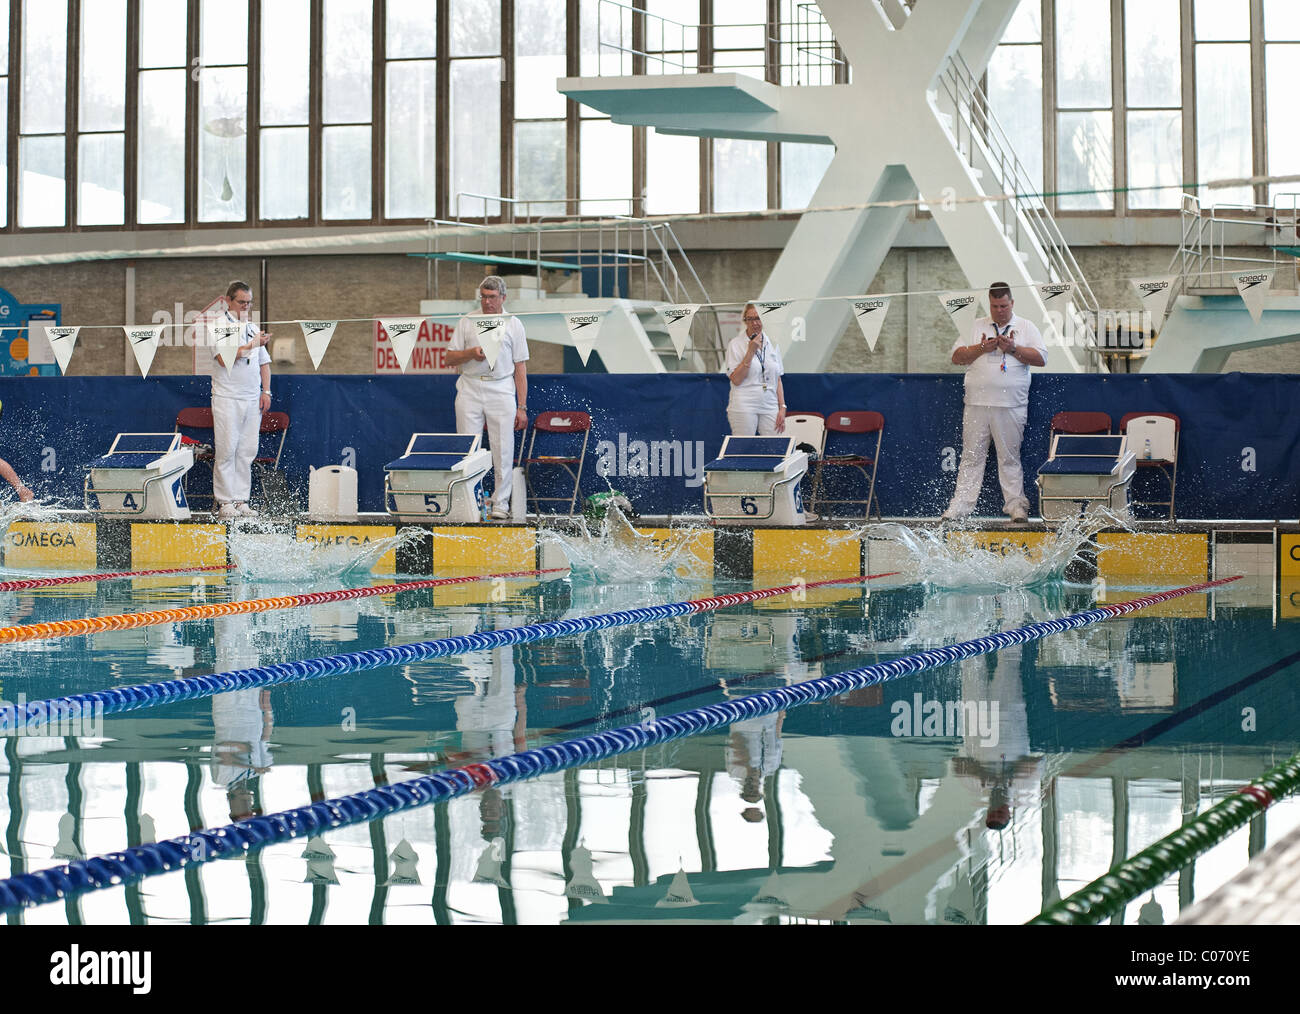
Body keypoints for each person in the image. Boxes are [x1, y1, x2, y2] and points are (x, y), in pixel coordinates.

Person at [943, 282, 1046, 524]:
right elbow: (956, 357)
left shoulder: (1026, 327)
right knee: (971, 456)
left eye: (1003, 305)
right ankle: (960, 507)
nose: (999, 310)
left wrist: (1013, 348)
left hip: (1011, 404)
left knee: (1009, 457)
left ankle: (1016, 507)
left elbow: (1041, 359)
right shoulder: (974, 325)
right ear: (989, 303)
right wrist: (982, 348)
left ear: (1012, 303)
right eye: (994, 305)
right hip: (977, 404)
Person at [446, 276, 529, 520]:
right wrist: (471, 353)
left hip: (502, 387)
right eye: (483, 296)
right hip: (470, 387)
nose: (487, 302)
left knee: (502, 447)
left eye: (492, 297)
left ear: (503, 298)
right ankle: (472, 501)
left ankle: (500, 503)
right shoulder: (467, 321)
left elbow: (521, 368)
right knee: (468, 448)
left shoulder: (514, 324)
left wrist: (522, 407)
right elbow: (449, 358)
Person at [210, 281, 272, 520]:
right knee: (227, 449)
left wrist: (266, 391)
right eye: (241, 302)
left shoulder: (252, 326)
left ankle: (240, 500)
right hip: (227, 396)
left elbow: (264, 362)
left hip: (251, 398)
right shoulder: (219, 325)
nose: (246, 306)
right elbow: (225, 359)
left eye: (249, 302)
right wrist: (251, 345)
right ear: (228, 301)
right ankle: (224, 500)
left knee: (247, 451)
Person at [724, 303, 786, 436]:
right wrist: (750, 352)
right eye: (750, 319)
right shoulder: (735, 344)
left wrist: (782, 407)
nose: (755, 323)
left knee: (776, 447)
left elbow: (778, 378)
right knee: (744, 447)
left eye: (758, 318)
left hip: (770, 403)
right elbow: (736, 380)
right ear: (745, 321)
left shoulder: (772, 343)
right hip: (744, 403)